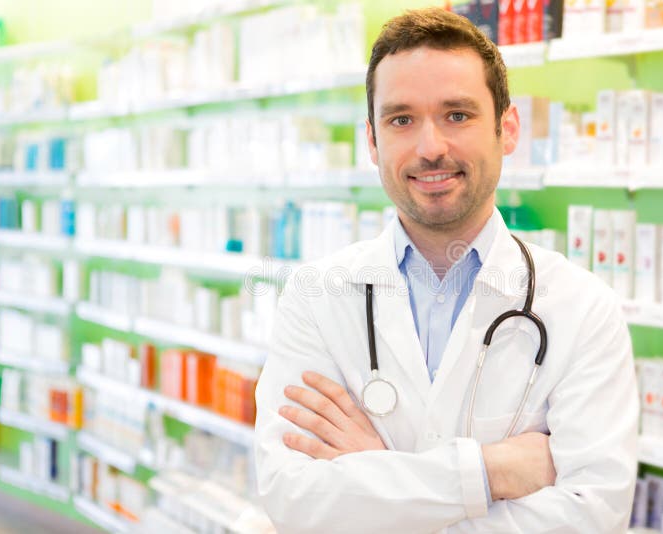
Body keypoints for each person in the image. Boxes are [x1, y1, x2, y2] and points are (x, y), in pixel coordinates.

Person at [254, 7, 638, 533]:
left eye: (457, 115)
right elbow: (294, 499)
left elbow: (592, 517)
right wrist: (490, 472)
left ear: (507, 129)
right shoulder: (314, 298)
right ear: (372, 141)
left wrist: (376, 477)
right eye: (401, 119)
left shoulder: (584, 309)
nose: (430, 148)